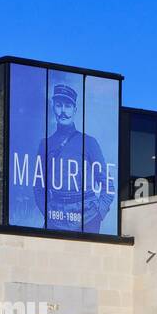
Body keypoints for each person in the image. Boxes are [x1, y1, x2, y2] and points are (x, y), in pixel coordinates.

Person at [32, 84, 114, 232]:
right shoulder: (45, 144)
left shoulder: (89, 142)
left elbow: (107, 184)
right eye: (59, 105)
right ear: (53, 108)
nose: (63, 111)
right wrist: (49, 214)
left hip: (87, 217)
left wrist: (98, 215)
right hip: (56, 218)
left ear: (75, 110)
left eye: (68, 106)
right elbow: (38, 186)